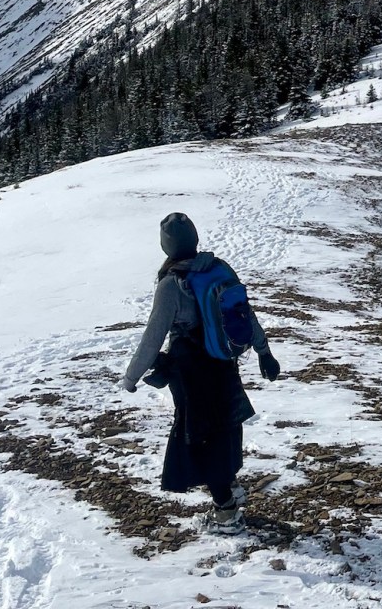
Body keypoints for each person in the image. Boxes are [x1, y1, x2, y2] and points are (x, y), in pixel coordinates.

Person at [120, 212, 280, 533]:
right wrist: (264, 352)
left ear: (167, 247)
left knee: (200, 438)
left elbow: (153, 335)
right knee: (223, 428)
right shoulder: (218, 269)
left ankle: (227, 513)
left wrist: (131, 376)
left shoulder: (172, 284)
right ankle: (230, 489)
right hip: (223, 365)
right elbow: (244, 314)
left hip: (192, 372)